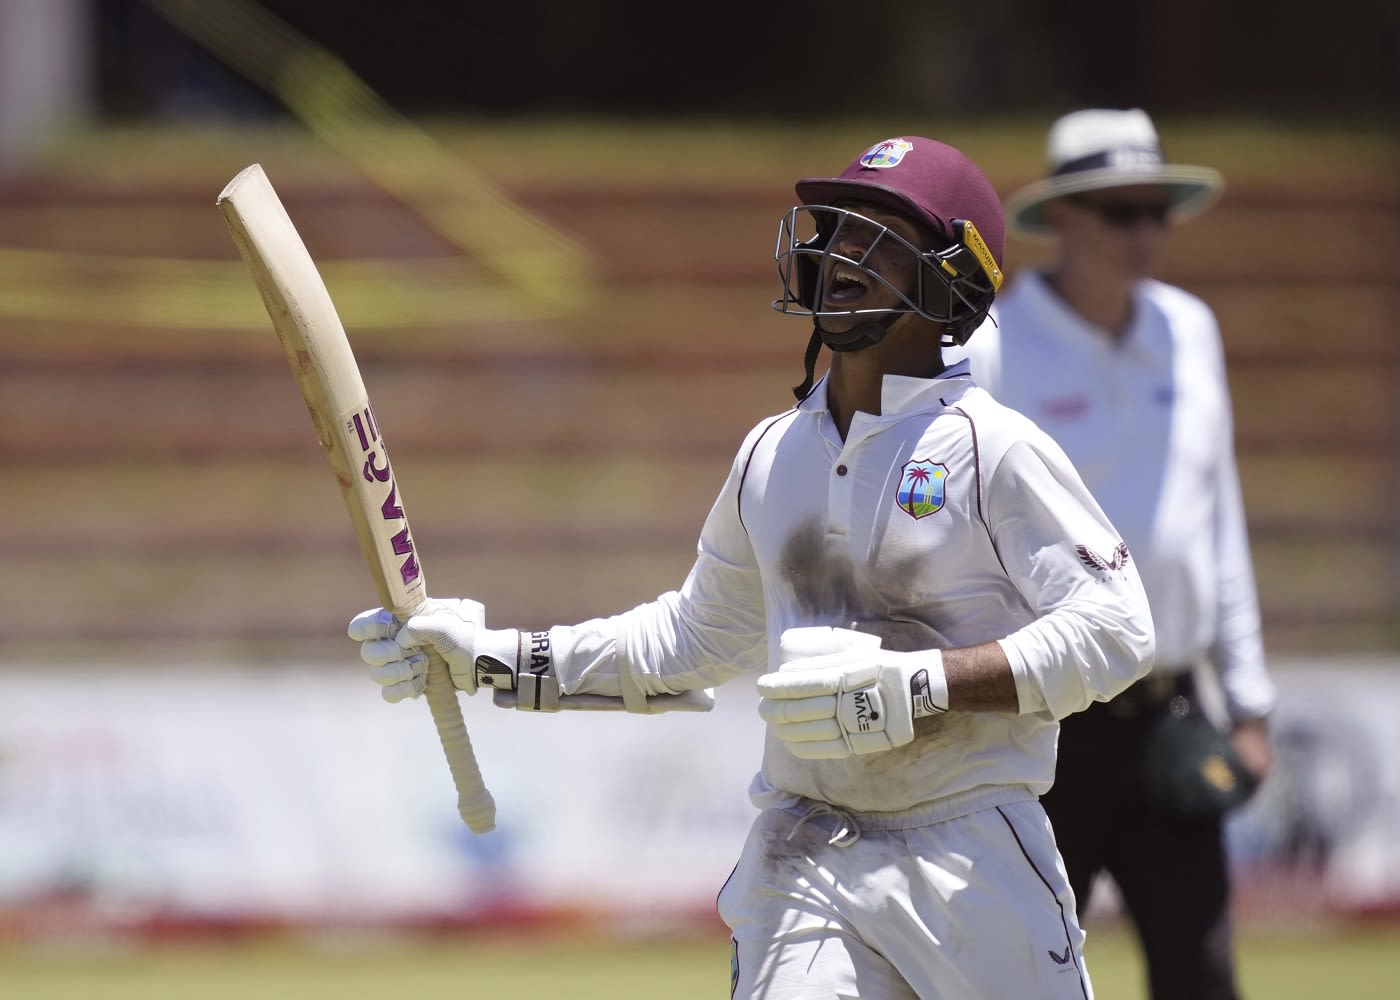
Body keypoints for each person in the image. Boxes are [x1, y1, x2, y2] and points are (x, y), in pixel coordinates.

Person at [349, 134, 1156, 999]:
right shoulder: (773, 454)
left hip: (972, 857)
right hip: (805, 853)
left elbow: (1118, 630)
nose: (840, 251)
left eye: (880, 235)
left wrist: (922, 685)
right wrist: (494, 657)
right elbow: (693, 641)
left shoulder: (994, 449)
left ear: (951, 277)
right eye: (838, 228)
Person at [946, 108, 1277, 1000]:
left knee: (1201, 973)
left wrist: (1248, 701)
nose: (1145, 232)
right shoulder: (995, 349)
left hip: (1171, 712)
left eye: (1156, 209)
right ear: (1068, 220)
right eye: (1121, 209)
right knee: (1022, 976)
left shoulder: (1190, 330)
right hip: (1045, 721)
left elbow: (1216, 522)